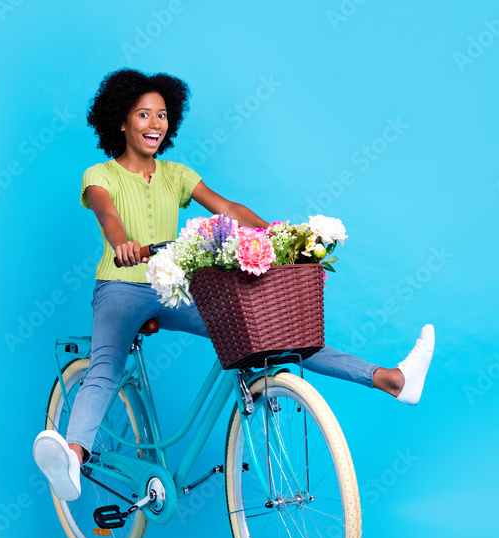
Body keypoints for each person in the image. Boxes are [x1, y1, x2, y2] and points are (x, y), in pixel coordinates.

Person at [34, 69, 434, 502]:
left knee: (272, 334)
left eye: (162, 115)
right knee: (106, 366)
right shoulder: (101, 174)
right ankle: (71, 460)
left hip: (172, 290)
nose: (154, 124)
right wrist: (122, 245)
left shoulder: (176, 174)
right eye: (143, 114)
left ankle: (389, 379)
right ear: (121, 121)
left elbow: (227, 208)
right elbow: (108, 214)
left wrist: (287, 240)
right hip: (120, 287)